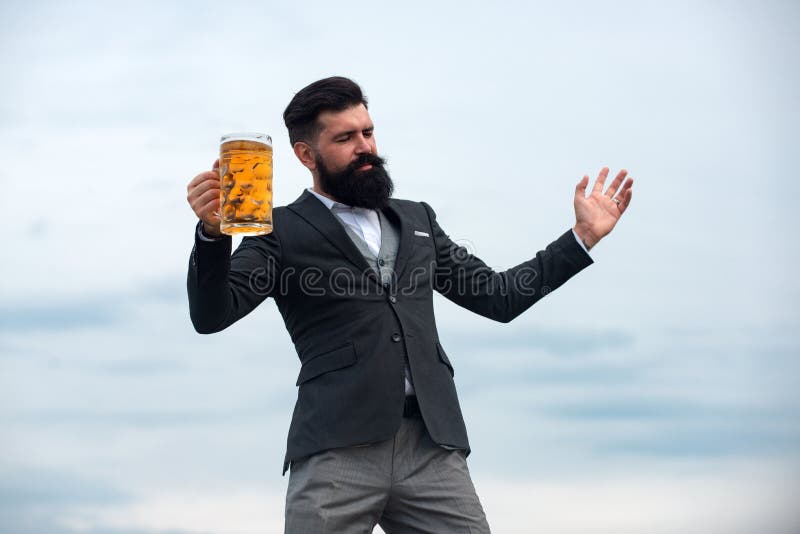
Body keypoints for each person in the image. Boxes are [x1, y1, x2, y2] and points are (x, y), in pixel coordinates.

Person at [186, 76, 633, 533]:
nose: (365, 147)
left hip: (431, 447)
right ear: (306, 154)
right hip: (335, 446)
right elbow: (212, 314)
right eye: (345, 138)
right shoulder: (278, 229)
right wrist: (212, 237)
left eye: (368, 132)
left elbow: (500, 296)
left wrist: (582, 238)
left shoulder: (418, 218)